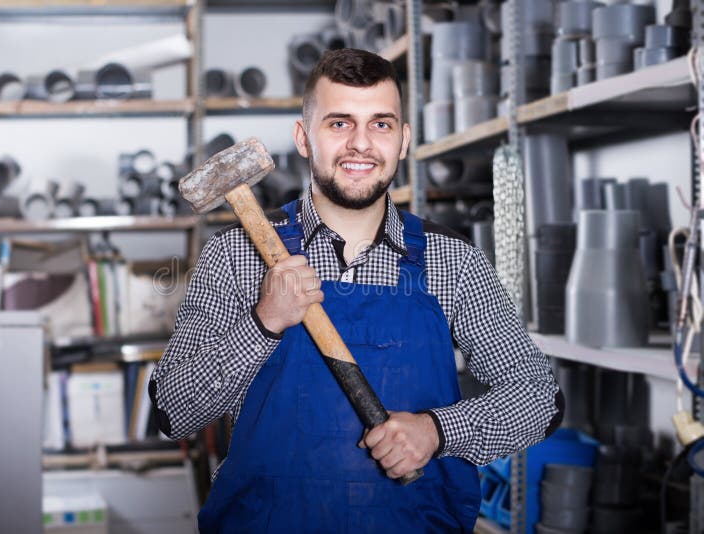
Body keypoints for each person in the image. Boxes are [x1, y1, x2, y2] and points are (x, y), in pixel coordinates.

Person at [149, 48, 563, 533]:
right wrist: (264, 322)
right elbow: (172, 411)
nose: (361, 144)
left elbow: (540, 397)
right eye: (340, 124)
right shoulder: (235, 256)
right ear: (304, 138)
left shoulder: (452, 260)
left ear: (404, 140)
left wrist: (437, 430)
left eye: (381, 124)